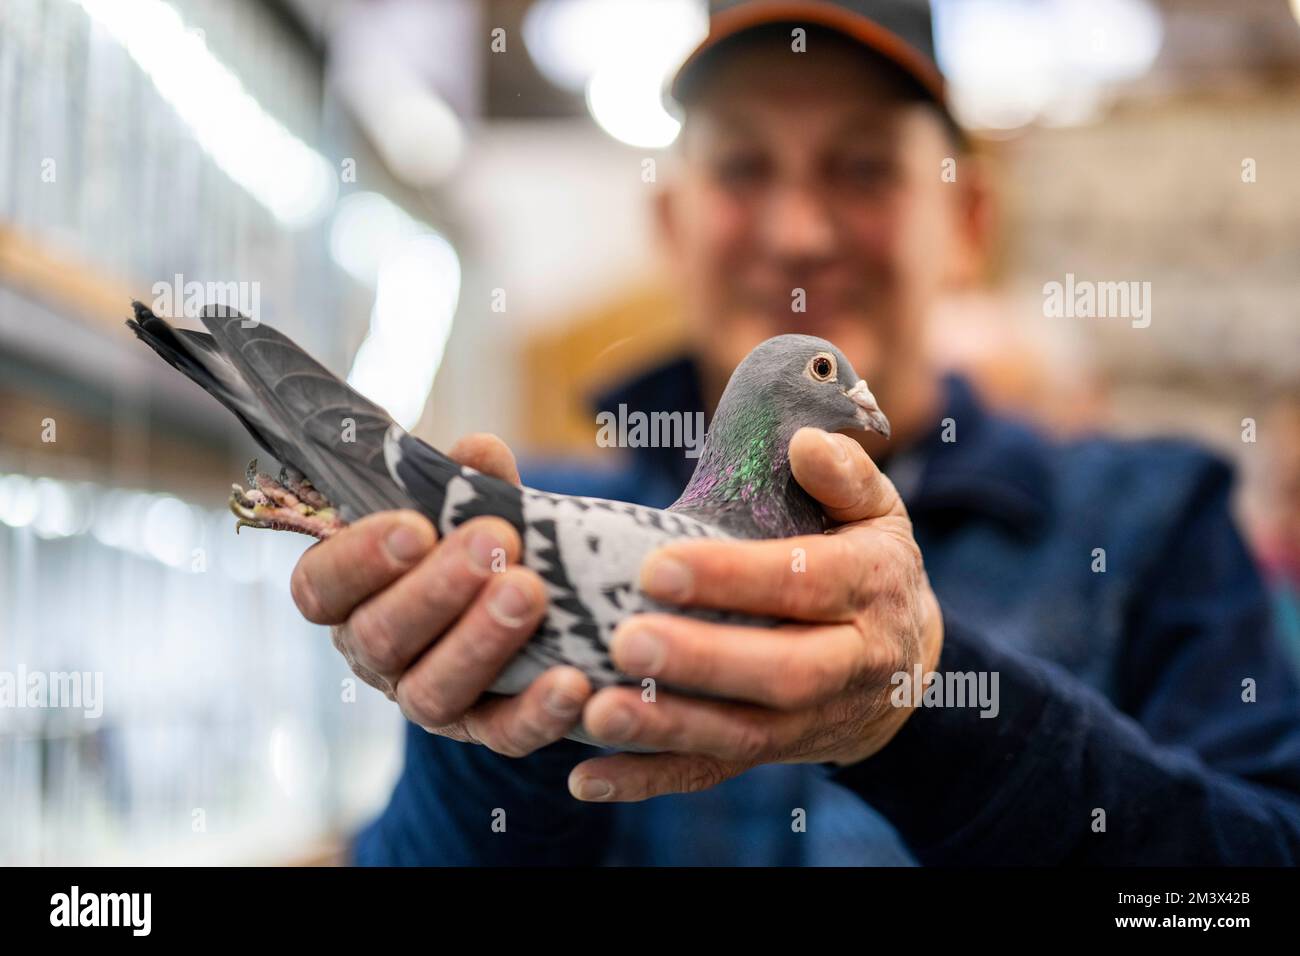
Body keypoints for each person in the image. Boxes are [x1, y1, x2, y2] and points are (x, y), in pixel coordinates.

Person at [289, 0, 1300, 864]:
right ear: (670, 223)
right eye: (741, 167)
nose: (799, 233)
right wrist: (500, 715)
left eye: (862, 169)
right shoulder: (521, 525)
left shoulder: (1156, 518)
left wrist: (926, 704)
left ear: (967, 219)